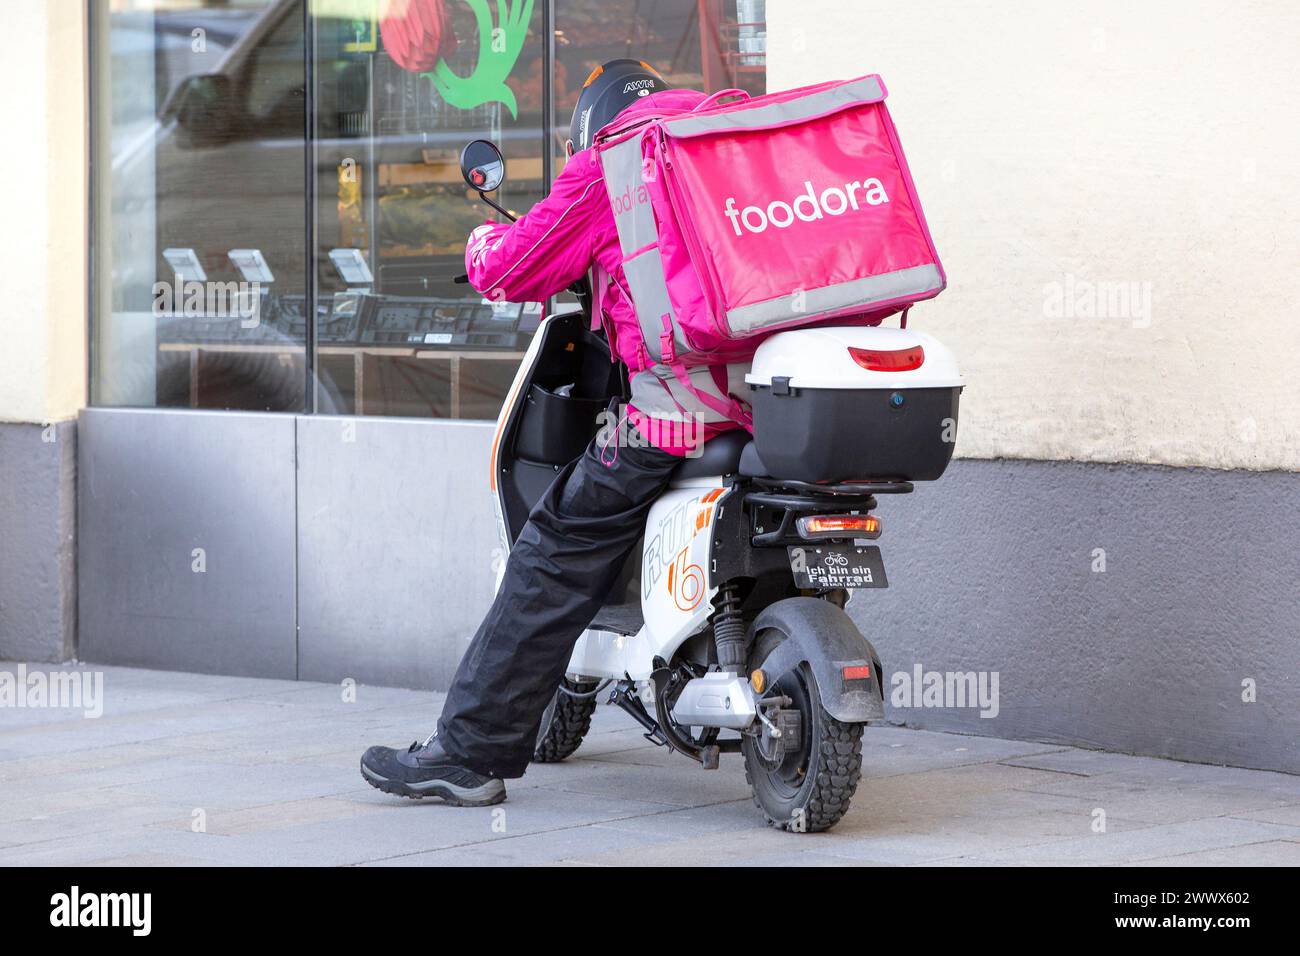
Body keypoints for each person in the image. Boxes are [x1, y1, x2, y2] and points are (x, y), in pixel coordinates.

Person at [360, 60, 751, 805]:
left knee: (552, 548)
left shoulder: (614, 163)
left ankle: (467, 754)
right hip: (774, 404)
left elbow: (516, 265)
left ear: (588, 127)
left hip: (674, 413)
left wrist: (478, 243)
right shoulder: (731, 143)